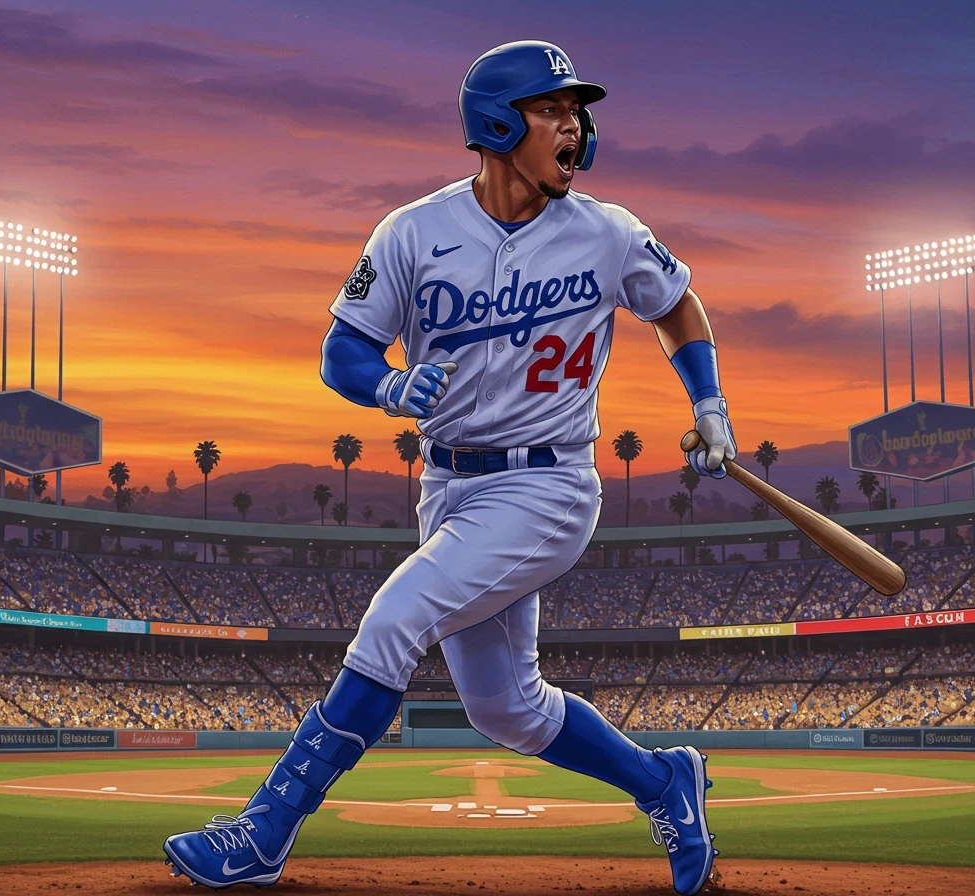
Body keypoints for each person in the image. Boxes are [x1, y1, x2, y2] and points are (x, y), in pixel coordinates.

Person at [163, 40, 736, 896]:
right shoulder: (414, 231)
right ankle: (667, 783)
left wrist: (709, 404)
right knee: (506, 709)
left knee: (393, 620)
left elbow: (676, 303)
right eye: (553, 110)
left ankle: (265, 831)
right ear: (499, 124)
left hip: (548, 486)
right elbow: (341, 352)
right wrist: (391, 385)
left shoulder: (609, 231)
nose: (574, 127)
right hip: (451, 486)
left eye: (577, 111)